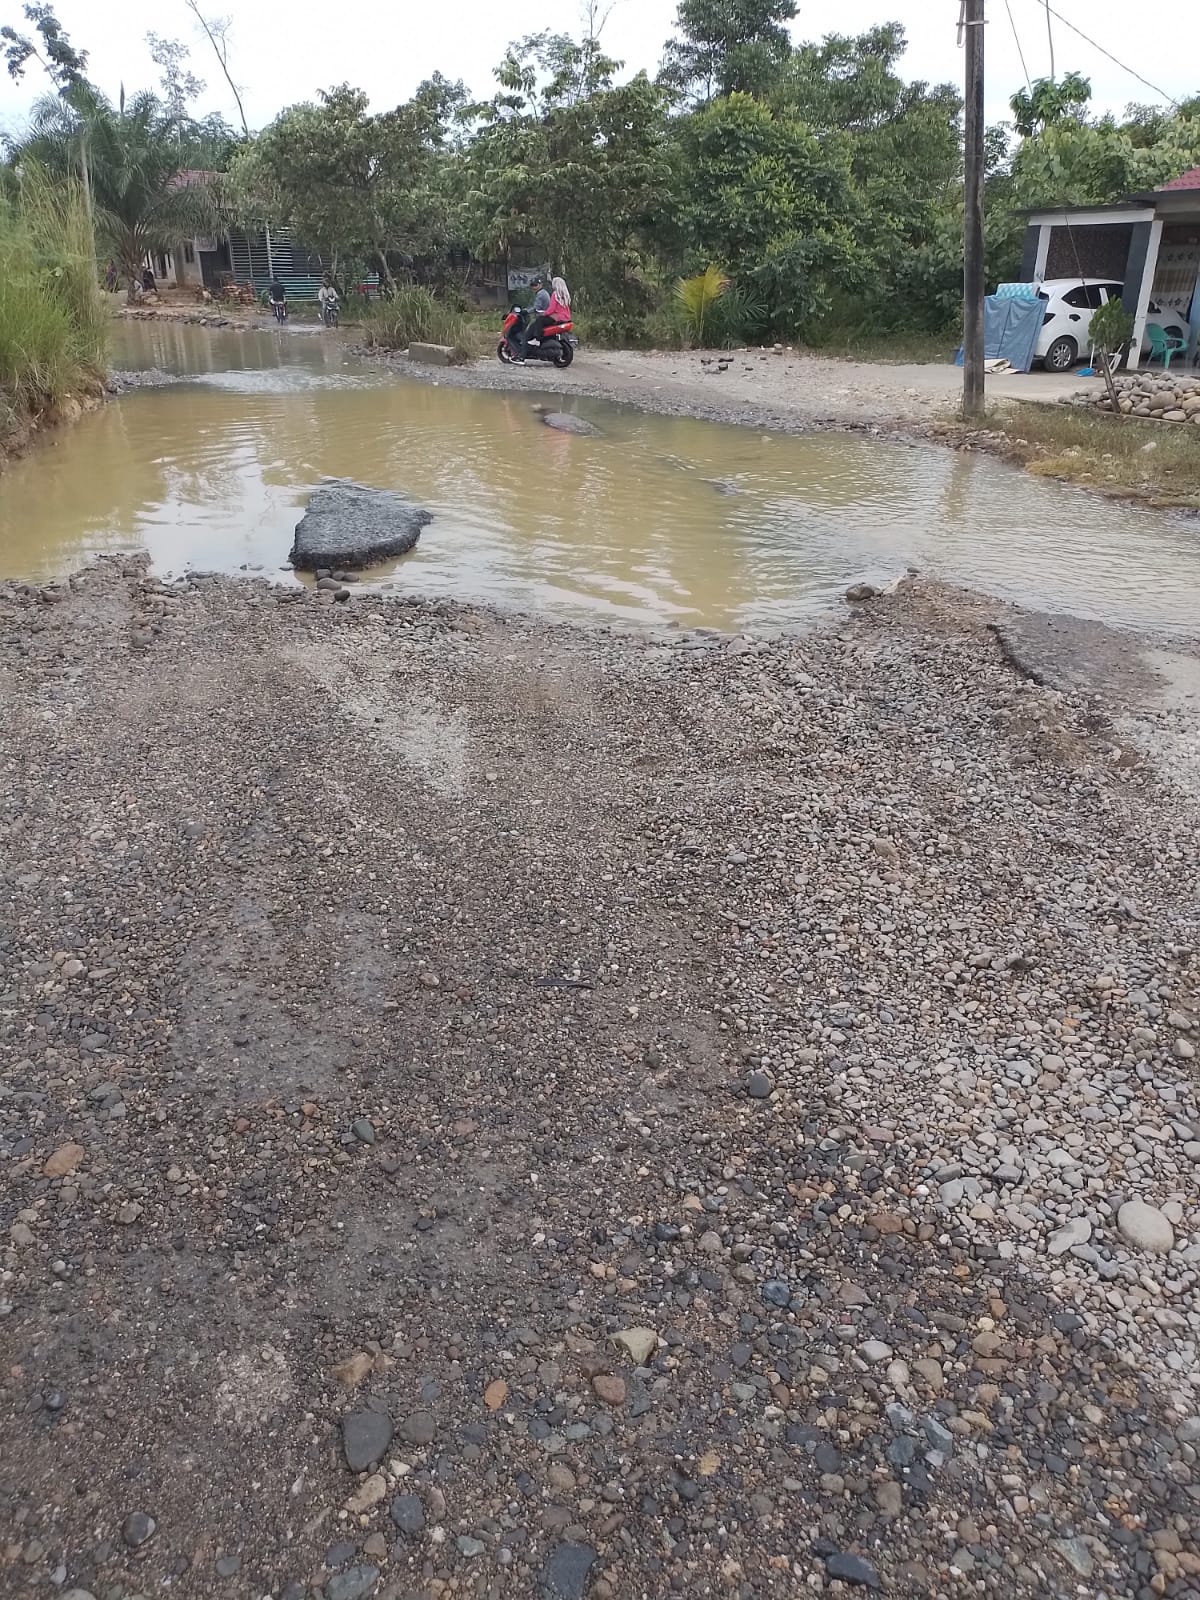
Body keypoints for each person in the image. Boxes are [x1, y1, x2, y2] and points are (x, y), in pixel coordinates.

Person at [515, 274, 551, 360]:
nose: (534, 287)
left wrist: (525, 311)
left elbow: (536, 308)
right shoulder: (543, 293)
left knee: (526, 335)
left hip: (541, 318)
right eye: (532, 285)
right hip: (544, 317)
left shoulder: (540, 294)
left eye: (535, 285)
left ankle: (521, 357)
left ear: (540, 285)